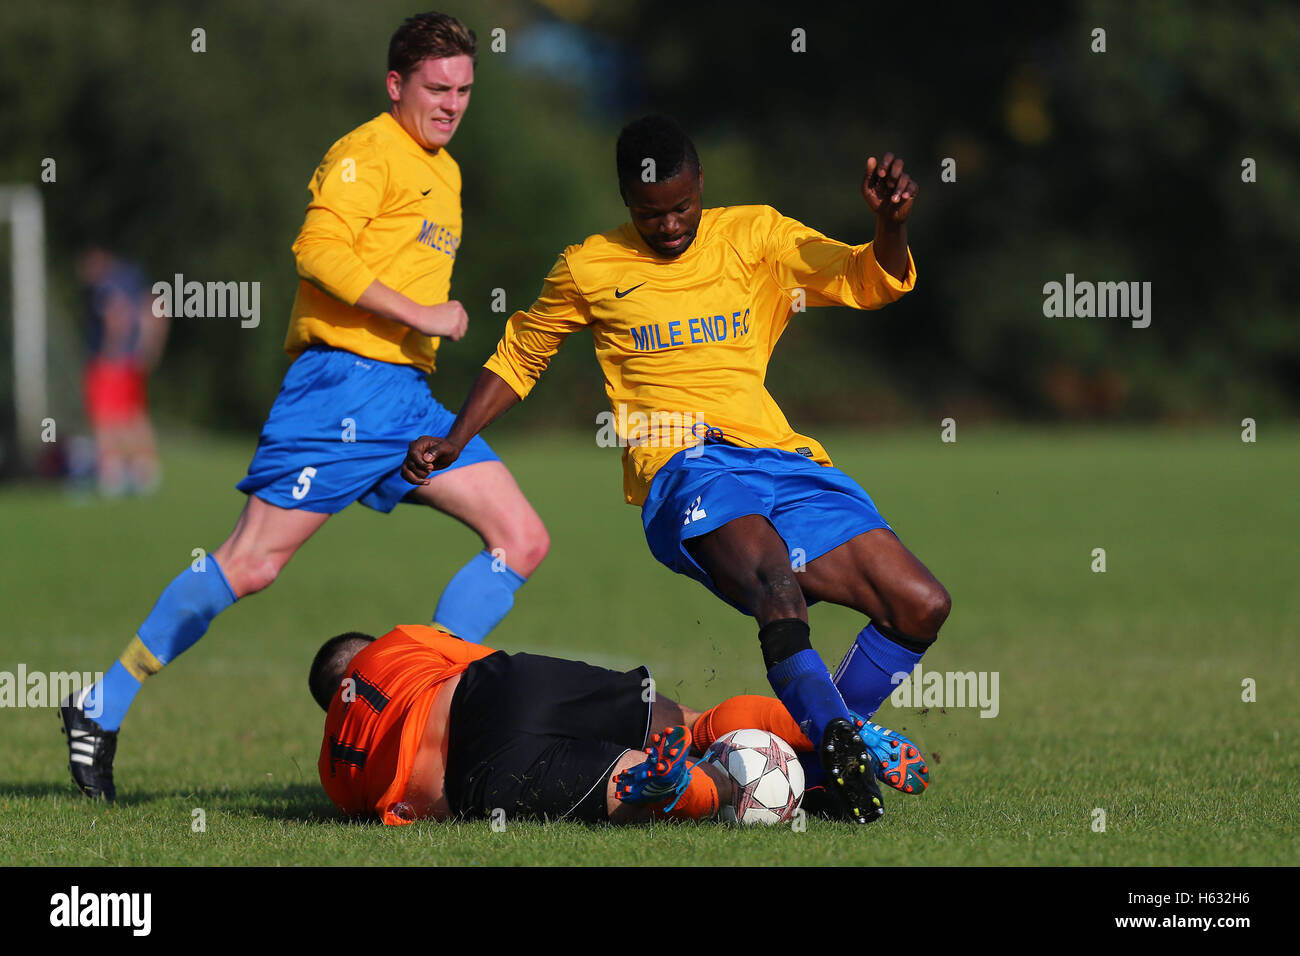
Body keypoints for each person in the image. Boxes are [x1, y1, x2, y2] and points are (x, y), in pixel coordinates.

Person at [61, 12, 549, 802]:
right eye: (436, 88)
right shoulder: (367, 152)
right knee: (251, 564)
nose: (452, 103)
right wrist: (423, 315)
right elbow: (316, 253)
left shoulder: (446, 169)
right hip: (342, 392)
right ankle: (101, 704)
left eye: (463, 89)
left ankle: (415, 697)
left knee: (522, 538)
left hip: (407, 401)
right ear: (396, 86)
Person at [401, 114, 945, 823]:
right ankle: (838, 736)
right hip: (686, 468)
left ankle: (817, 769)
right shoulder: (590, 266)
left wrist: (890, 226)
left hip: (781, 459)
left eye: (682, 208)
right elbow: (519, 357)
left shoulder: (756, 236)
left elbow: (872, 279)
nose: (667, 226)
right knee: (778, 586)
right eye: (649, 214)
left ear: (701, 188)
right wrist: (454, 437)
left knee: (920, 604)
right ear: (627, 200)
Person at [310, 624, 904, 824]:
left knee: (640, 785)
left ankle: (686, 789)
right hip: (497, 689)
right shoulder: (395, 646)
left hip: (479, 776)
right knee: (692, 724)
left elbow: (397, 813)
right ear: (360, 652)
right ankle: (835, 729)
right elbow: (480, 660)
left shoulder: (333, 772)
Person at [77, 247, 169, 496]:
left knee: (105, 416)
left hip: (111, 358)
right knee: (132, 414)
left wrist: (111, 349)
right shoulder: (132, 274)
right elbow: (157, 308)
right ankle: (145, 471)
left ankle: (112, 473)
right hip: (132, 359)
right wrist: (150, 346)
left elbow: (116, 315)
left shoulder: (106, 283)